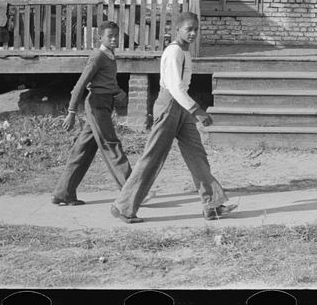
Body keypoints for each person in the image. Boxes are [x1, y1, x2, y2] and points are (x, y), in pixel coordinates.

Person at [110, 12, 235, 224]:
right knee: (152, 158)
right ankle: (123, 207)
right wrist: (198, 111)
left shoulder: (185, 52)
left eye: (196, 29)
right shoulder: (173, 52)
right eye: (189, 29)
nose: (193, 33)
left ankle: (212, 205)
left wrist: (190, 110)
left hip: (182, 108)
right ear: (177, 30)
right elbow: (175, 87)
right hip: (169, 107)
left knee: (197, 155)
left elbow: (182, 89)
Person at [51, 21, 132, 206]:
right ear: (100, 37)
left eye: (115, 36)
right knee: (111, 145)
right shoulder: (97, 56)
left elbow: (106, 81)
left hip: (105, 103)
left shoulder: (110, 55)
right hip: (96, 105)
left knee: (82, 150)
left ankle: (64, 193)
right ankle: (132, 190)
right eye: (109, 36)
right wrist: (71, 111)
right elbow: (80, 84)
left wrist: (117, 91)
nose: (113, 39)